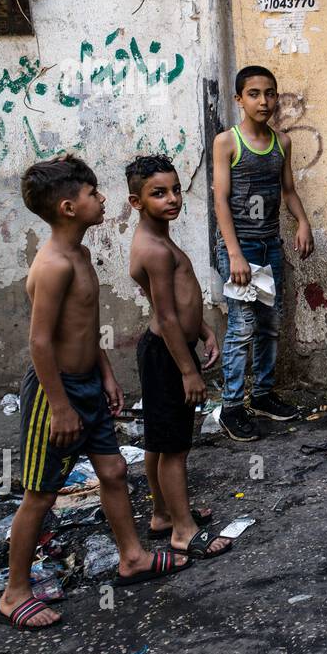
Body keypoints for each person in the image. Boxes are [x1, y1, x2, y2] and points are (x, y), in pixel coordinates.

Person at [0, 157, 189, 630]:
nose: (101, 199)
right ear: (68, 207)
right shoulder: (54, 265)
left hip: (87, 385)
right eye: (92, 193)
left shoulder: (81, 255)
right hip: (55, 393)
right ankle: (14, 591)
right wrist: (60, 407)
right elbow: (41, 342)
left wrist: (105, 373)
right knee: (41, 494)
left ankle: (132, 557)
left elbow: (81, 329)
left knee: (113, 469)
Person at [126, 154, 232, 561]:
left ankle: (162, 515)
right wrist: (189, 372)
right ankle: (183, 532)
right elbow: (167, 316)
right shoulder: (152, 248)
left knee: (159, 439)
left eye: (175, 190)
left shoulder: (159, 238)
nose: (172, 199)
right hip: (166, 355)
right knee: (175, 449)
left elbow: (166, 302)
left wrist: (202, 329)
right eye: (158, 193)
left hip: (169, 349)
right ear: (136, 201)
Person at [212, 65, 314, 441]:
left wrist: (302, 222)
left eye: (270, 93)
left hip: (271, 245)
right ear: (239, 99)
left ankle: (263, 394)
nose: (264, 101)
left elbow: (287, 190)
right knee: (242, 328)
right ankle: (232, 407)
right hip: (241, 248)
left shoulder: (281, 142)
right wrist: (235, 254)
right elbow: (220, 200)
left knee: (270, 324)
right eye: (254, 94)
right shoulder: (228, 142)